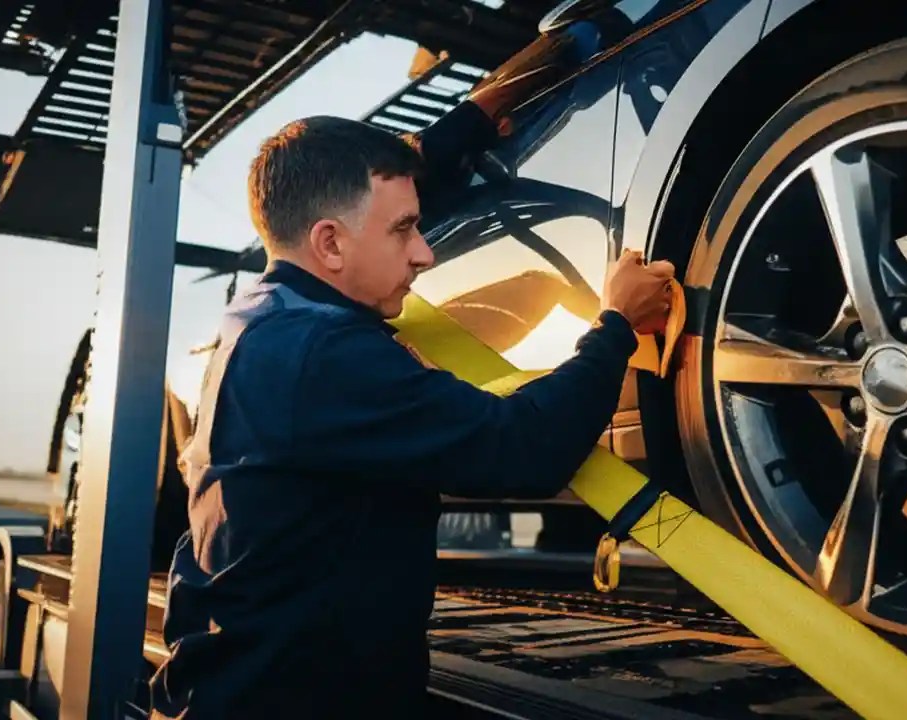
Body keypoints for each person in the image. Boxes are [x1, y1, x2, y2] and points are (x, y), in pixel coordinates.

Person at [146, 63, 676, 719]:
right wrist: (616, 325)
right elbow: (523, 449)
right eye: (404, 230)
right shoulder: (326, 358)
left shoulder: (263, 317)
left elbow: (396, 178)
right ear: (330, 243)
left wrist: (480, 118)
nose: (425, 253)